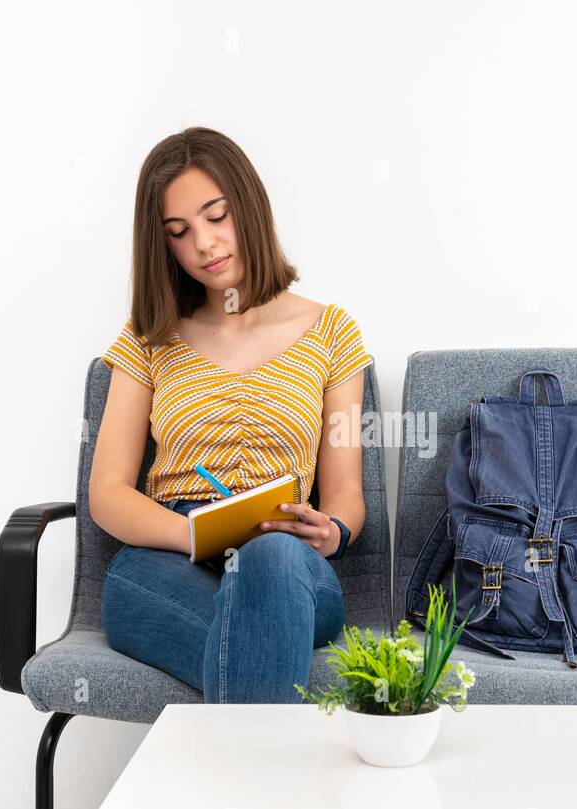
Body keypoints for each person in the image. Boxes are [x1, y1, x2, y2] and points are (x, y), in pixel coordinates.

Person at [89, 127, 373, 703]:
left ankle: (232, 788)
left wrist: (334, 531)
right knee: (253, 642)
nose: (205, 244)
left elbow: (345, 492)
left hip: (286, 559)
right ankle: (272, 785)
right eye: (179, 232)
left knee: (267, 564)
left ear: (248, 204)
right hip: (166, 556)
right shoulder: (149, 338)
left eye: (216, 216)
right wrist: (192, 534)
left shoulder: (332, 332)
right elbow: (107, 493)